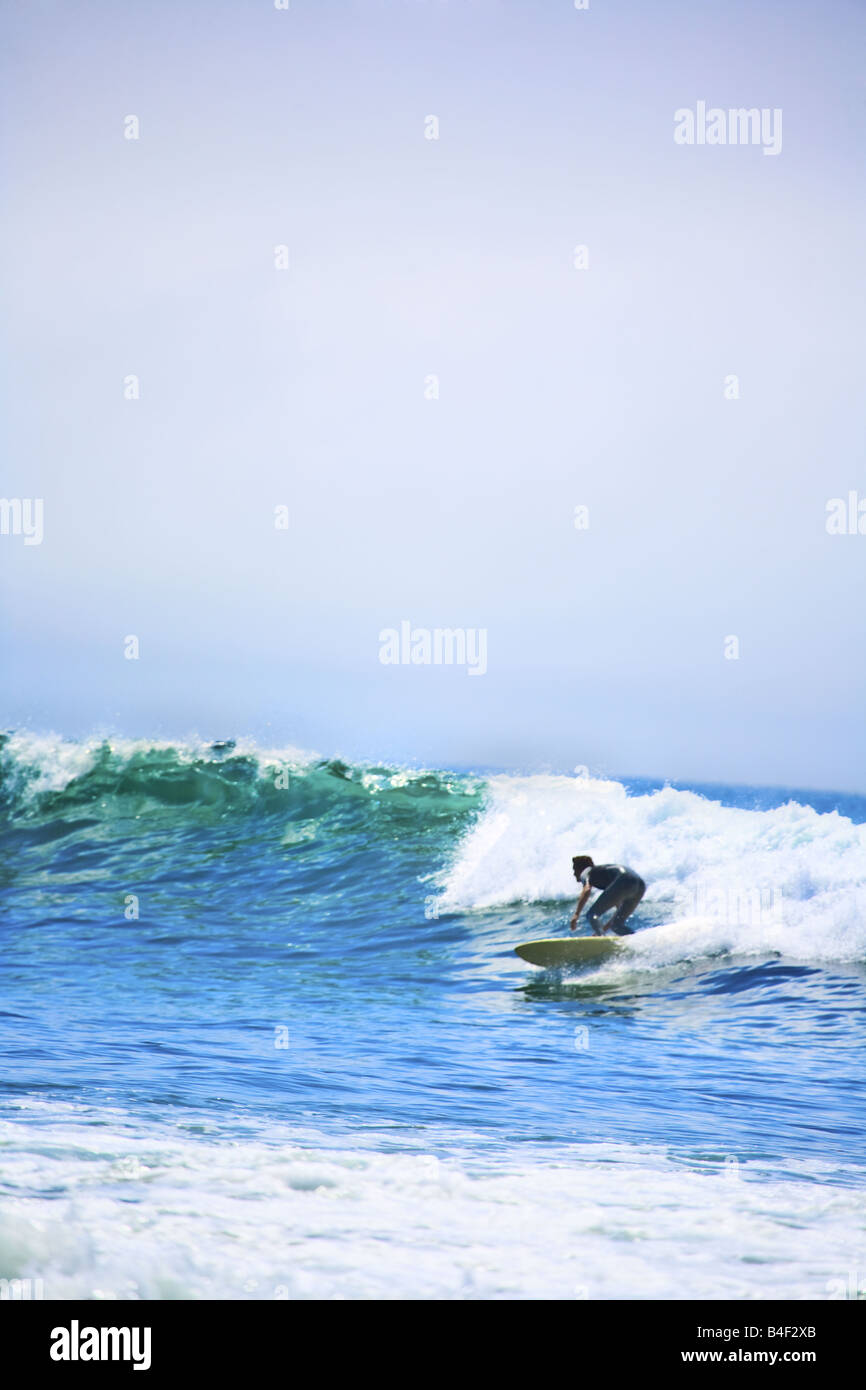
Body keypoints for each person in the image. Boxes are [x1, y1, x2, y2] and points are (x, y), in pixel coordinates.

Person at [569, 856, 645, 936]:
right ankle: (637, 942)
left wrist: (576, 914)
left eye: (574, 870)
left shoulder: (586, 871)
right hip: (640, 884)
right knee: (616, 925)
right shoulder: (610, 881)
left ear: (580, 868)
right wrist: (601, 930)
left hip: (624, 879)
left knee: (591, 915)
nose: (574, 874)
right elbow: (618, 909)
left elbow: (587, 889)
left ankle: (601, 940)